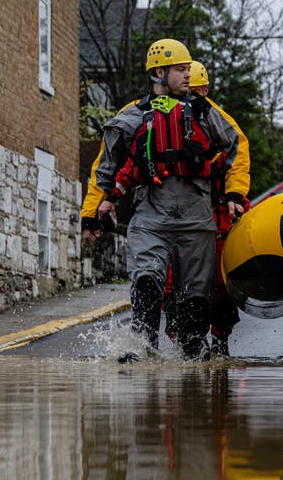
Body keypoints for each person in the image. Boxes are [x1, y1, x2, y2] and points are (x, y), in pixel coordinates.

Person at [81, 38, 240, 361]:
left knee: (197, 297)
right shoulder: (132, 117)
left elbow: (237, 149)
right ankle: (142, 350)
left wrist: (234, 193)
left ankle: (194, 355)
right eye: (181, 70)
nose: (188, 75)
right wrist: (92, 213)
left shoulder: (205, 113)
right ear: (159, 73)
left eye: (188, 69)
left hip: (196, 220)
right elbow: (105, 169)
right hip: (151, 218)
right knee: (146, 281)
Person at [184, 60, 250, 357]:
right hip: (183, 215)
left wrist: (234, 196)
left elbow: (239, 159)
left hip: (218, 213)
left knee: (221, 285)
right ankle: (189, 344)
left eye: (198, 93)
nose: (193, 99)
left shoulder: (221, 123)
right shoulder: (167, 119)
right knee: (180, 285)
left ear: (206, 90)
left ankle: (220, 341)